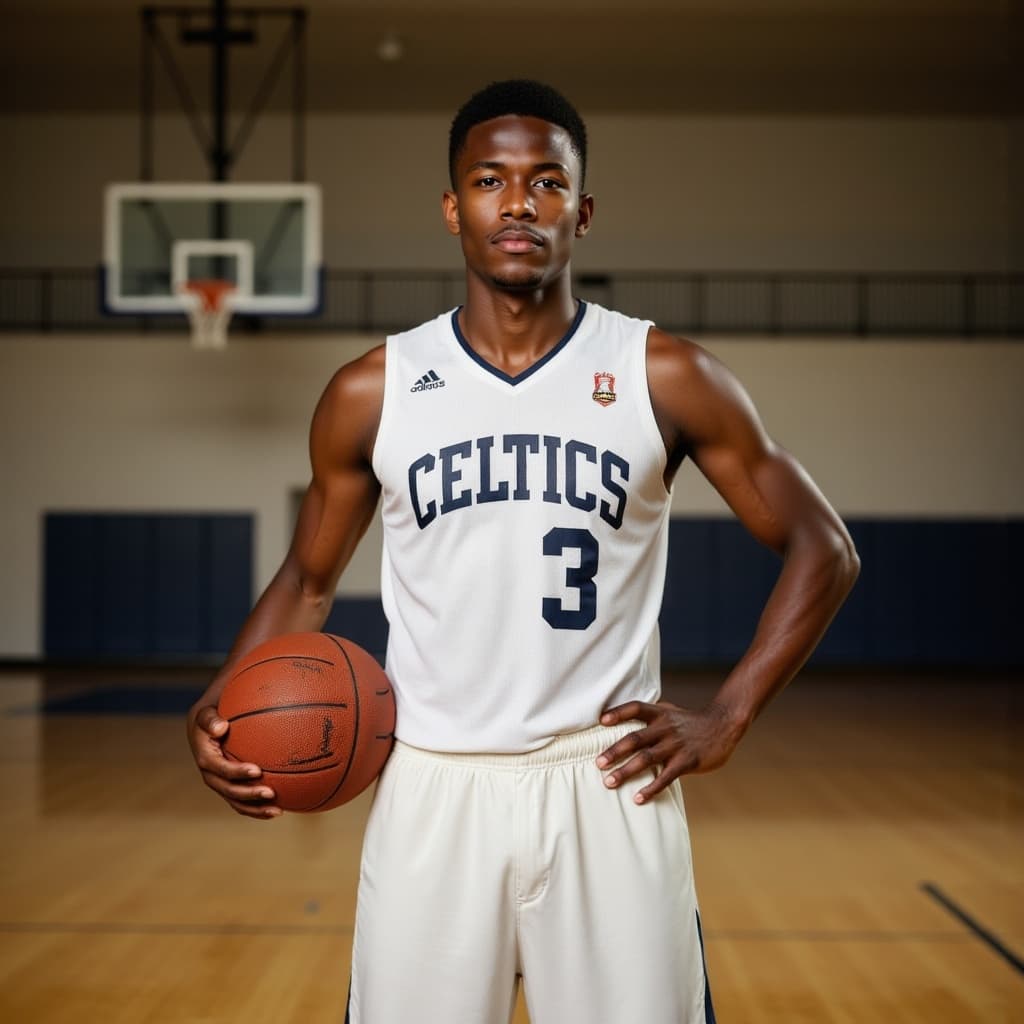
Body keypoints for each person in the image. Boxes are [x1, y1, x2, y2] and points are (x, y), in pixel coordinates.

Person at [187, 79, 859, 1024]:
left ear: (581, 214)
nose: (518, 203)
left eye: (547, 184)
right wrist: (222, 703)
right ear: (453, 207)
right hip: (430, 783)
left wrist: (730, 716)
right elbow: (308, 579)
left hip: (607, 781)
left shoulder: (662, 374)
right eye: (491, 180)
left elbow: (822, 548)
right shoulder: (373, 391)